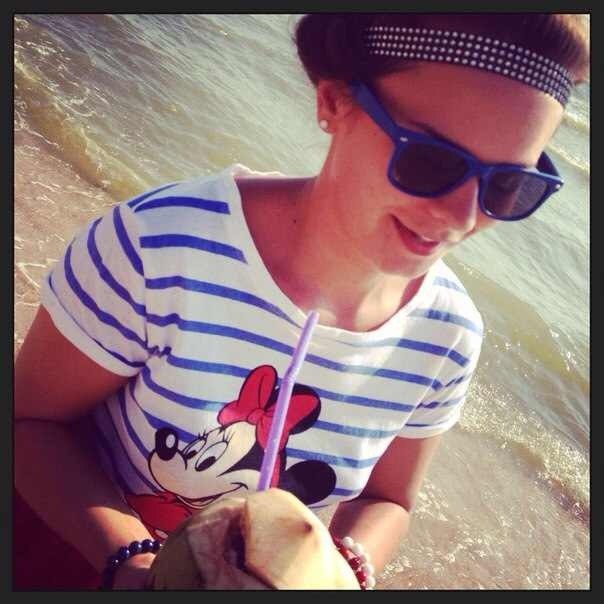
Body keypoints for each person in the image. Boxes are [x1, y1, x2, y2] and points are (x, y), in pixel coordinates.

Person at [14, 13, 589, 590]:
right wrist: (134, 563)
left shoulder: (447, 336)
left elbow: (388, 499)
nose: (462, 217)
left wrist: (345, 571)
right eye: (432, 160)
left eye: (508, 185)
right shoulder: (160, 245)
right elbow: (29, 422)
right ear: (335, 101)